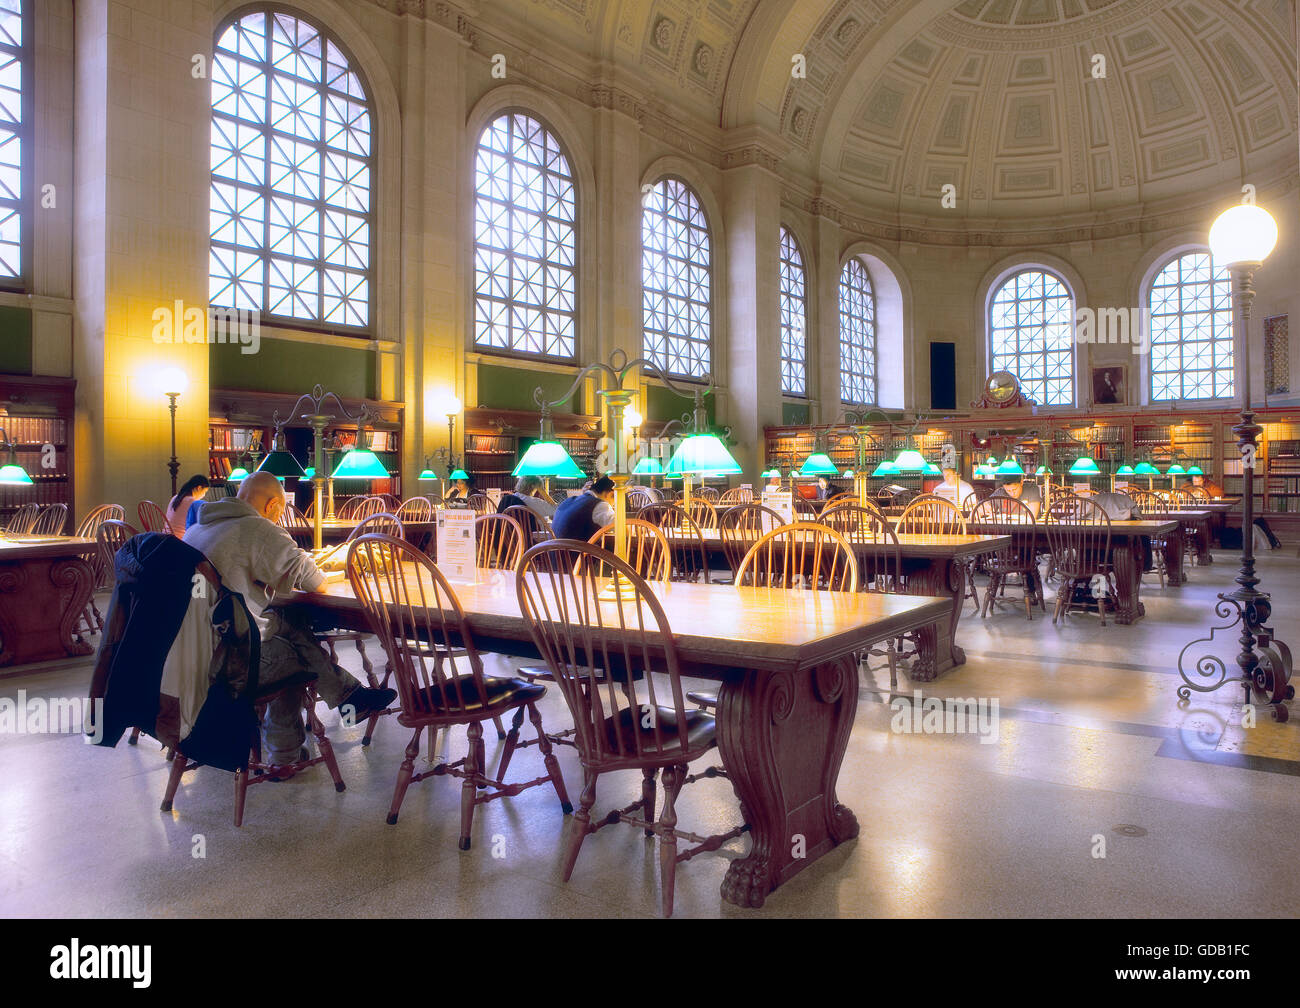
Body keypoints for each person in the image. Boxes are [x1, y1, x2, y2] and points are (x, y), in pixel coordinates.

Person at [182, 471, 394, 768]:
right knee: (295, 657)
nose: (278, 521)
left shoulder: (199, 527)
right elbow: (315, 582)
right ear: (272, 506)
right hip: (227, 664)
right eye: (279, 514)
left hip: (188, 659)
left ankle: (349, 698)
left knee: (286, 622)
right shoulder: (258, 528)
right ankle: (284, 756)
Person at [551, 475, 617, 541]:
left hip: (553, 549)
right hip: (578, 550)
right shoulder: (600, 506)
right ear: (610, 494)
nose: (613, 505)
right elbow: (621, 529)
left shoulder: (569, 500)